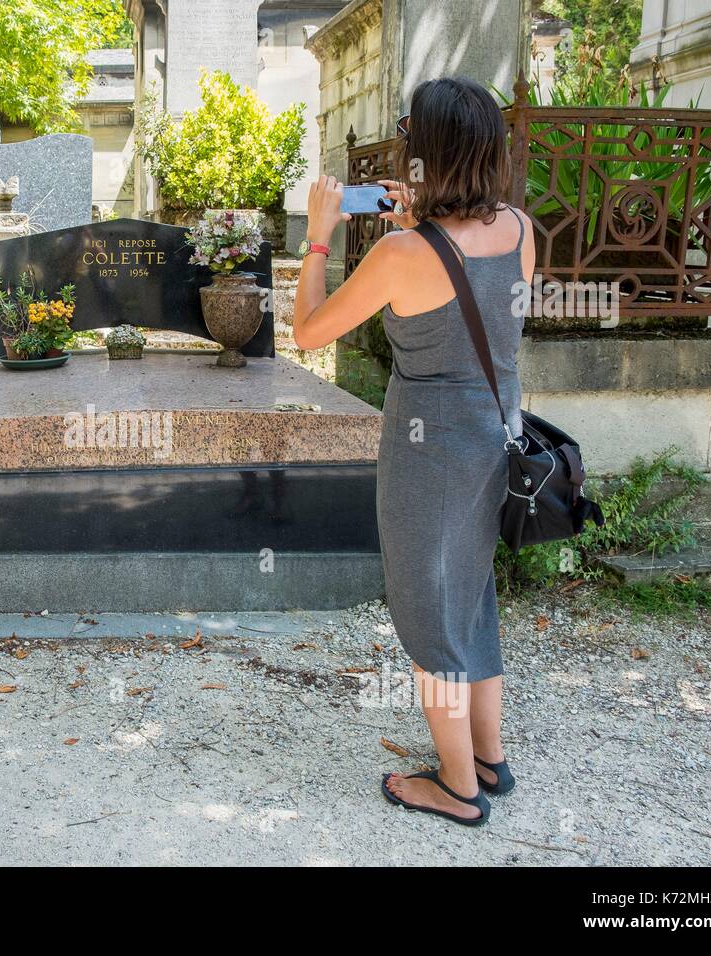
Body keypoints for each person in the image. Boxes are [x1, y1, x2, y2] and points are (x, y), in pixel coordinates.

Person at [291, 76, 534, 826]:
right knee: (470, 593)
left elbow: (306, 332)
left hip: (427, 453)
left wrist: (320, 235)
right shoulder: (523, 229)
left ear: (421, 151)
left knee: (430, 614)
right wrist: (426, 217)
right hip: (495, 438)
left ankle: (458, 788)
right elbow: (483, 308)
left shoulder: (401, 253)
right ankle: (487, 756)